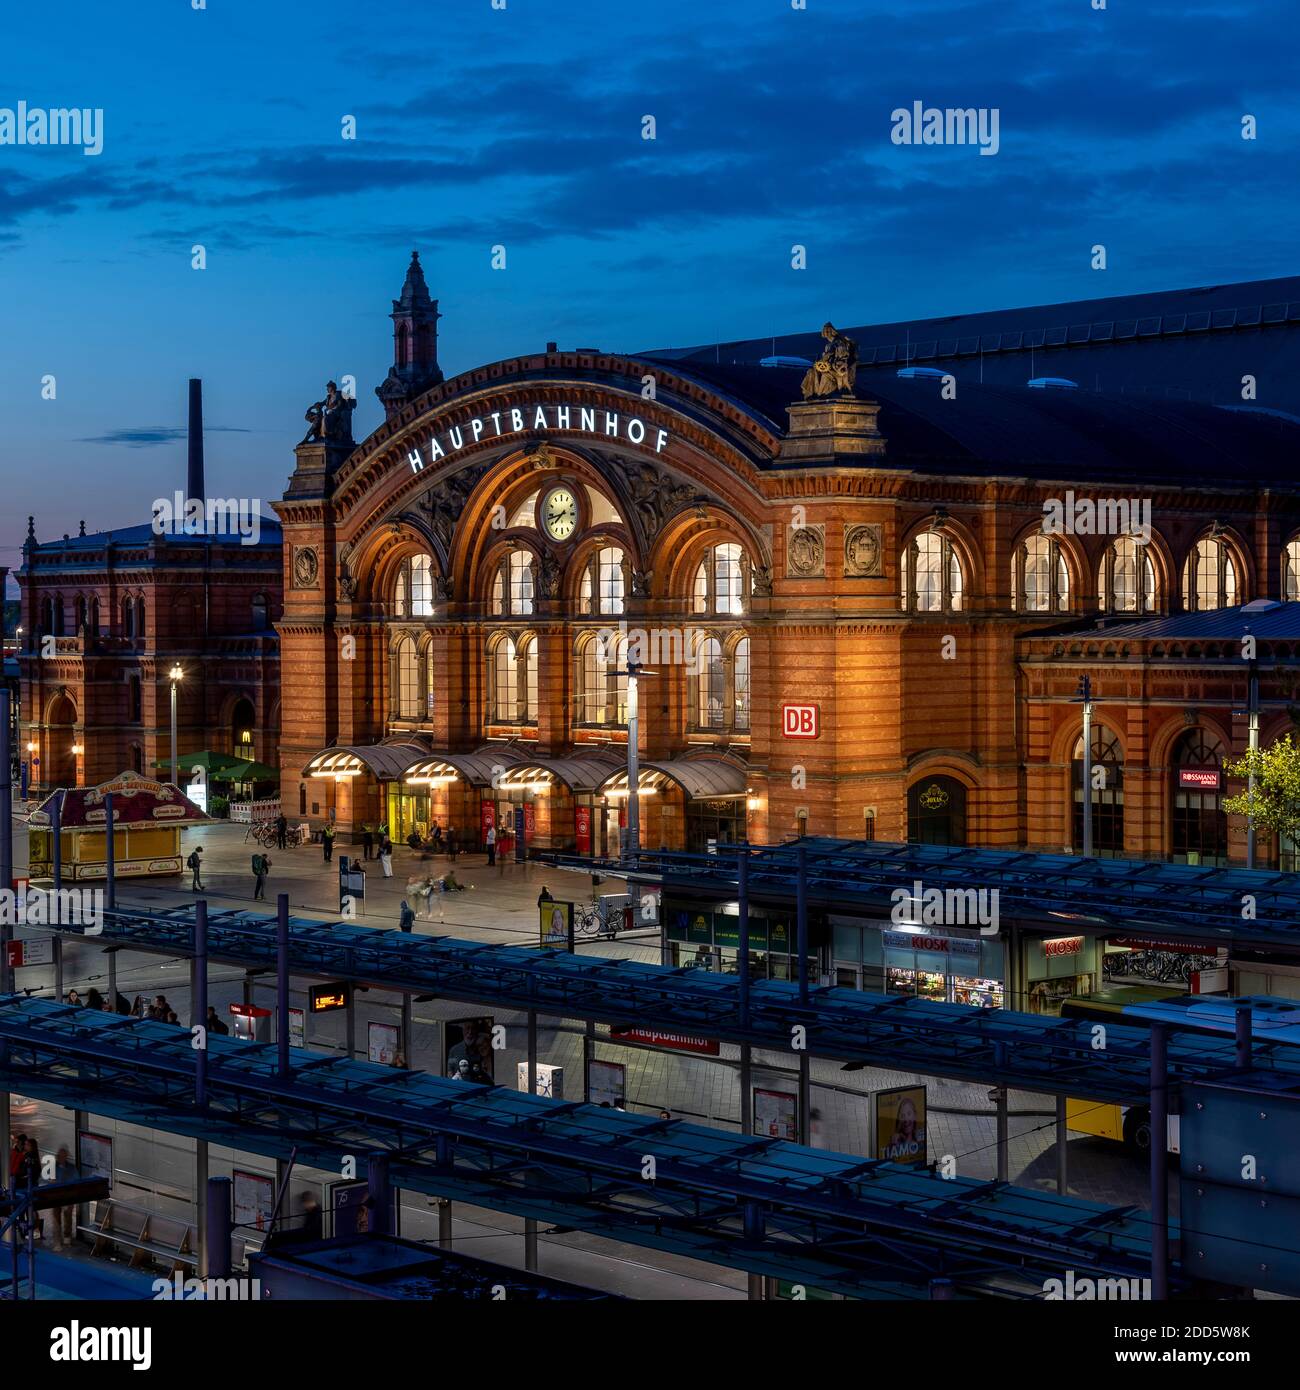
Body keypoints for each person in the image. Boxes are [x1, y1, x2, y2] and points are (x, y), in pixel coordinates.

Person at [53, 1145, 79, 1247]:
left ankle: (67, 1235)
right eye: (59, 1156)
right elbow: (47, 1180)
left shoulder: (71, 1168)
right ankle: (58, 1235)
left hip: (68, 1195)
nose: (61, 1158)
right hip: (56, 1196)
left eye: (63, 1156)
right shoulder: (53, 1167)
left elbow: (77, 1179)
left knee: (68, 1216)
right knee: (56, 1216)